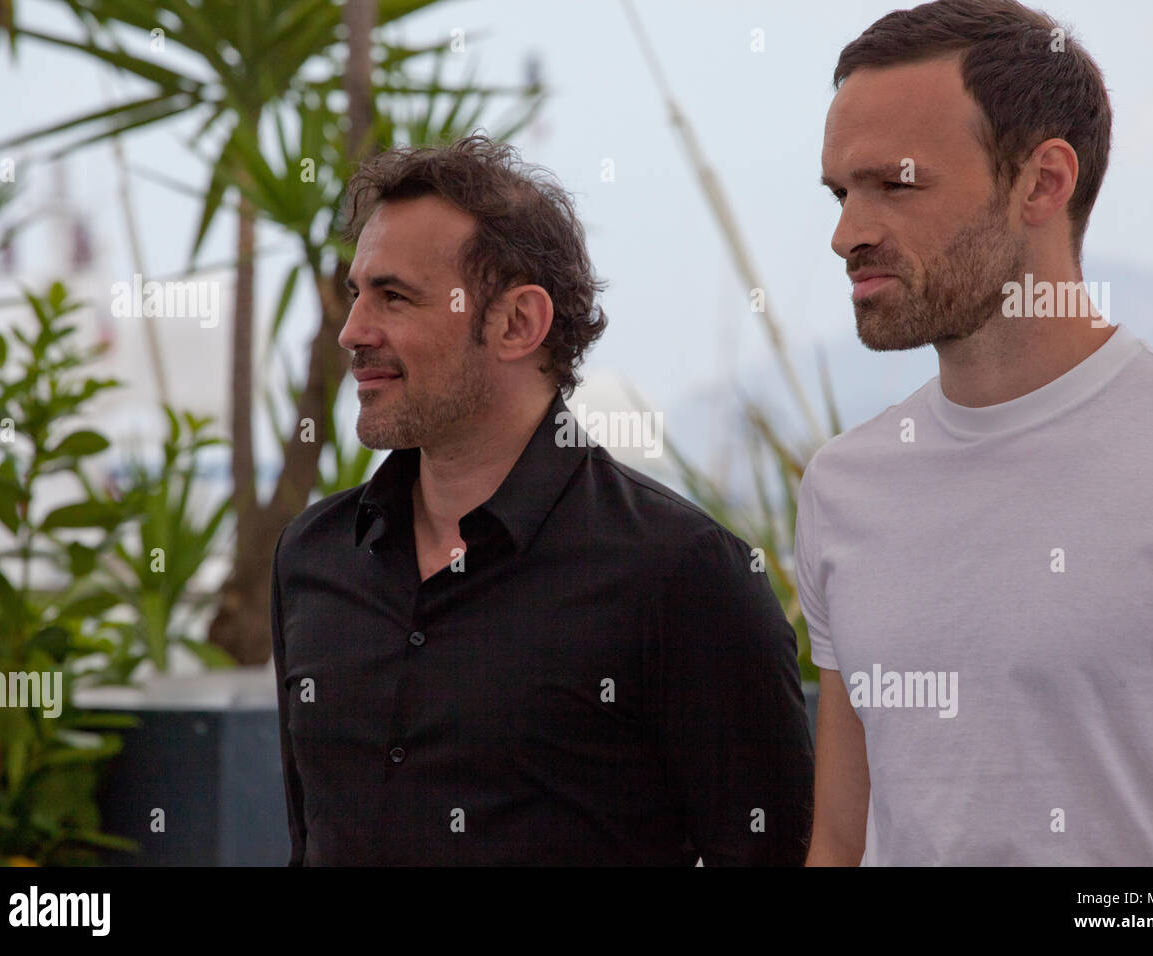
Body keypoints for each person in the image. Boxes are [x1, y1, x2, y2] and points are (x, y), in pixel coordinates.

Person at [798, 0, 1153, 865]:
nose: (846, 234)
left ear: (1043, 183)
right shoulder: (842, 485)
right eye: (840, 191)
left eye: (895, 184)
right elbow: (842, 841)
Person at [270, 134, 813, 865]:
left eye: (394, 297)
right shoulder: (313, 557)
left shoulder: (683, 575)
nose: (353, 332)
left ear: (518, 323)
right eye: (356, 294)